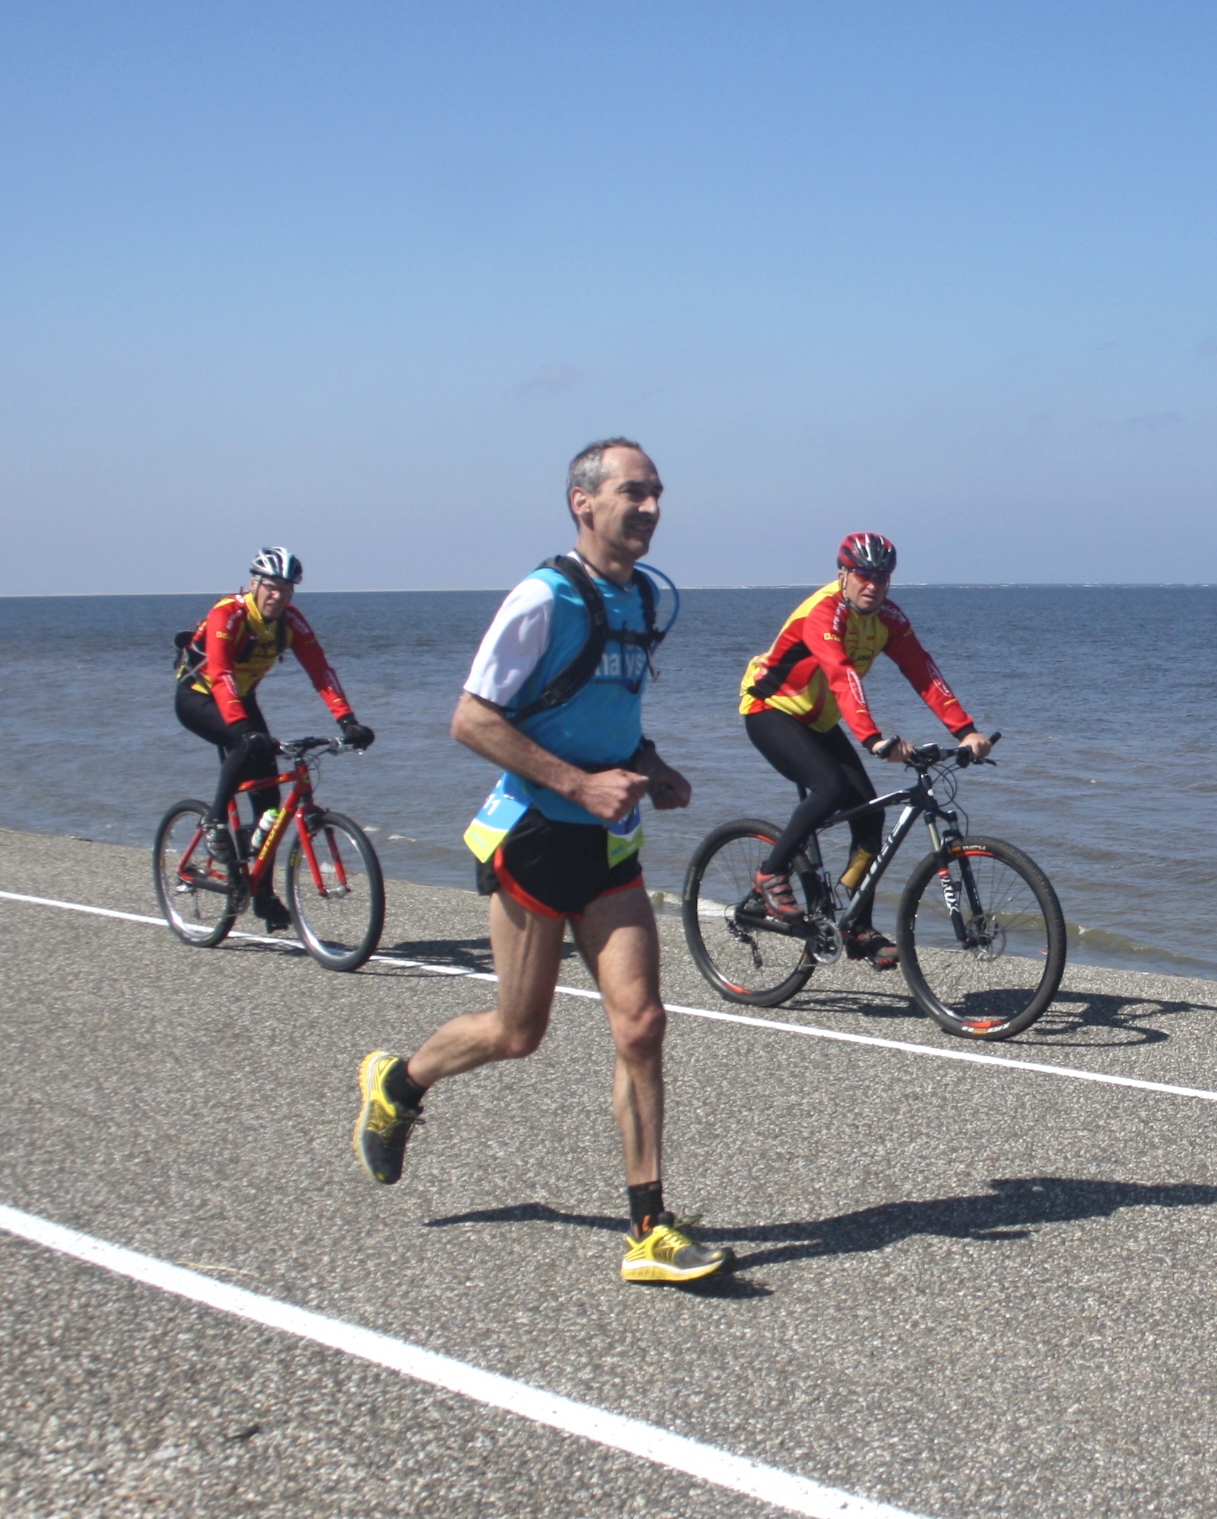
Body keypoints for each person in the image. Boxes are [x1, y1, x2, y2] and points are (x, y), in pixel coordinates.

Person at [352, 439, 733, 1286]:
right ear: (582, 502)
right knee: (517, 1033)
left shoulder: (642, 600)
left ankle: (649, 1228)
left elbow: (604, 713)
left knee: (642, 1023)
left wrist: (651, 764)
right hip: (532, 835)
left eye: (659, 494)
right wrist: (578, 784)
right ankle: (399, 1085)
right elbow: (472, 720)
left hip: (608, 845)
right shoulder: (543, 598)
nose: (651, 509)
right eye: (634, 493)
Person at [739, 532, 993, 964]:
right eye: (863, 575)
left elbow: (923, 673)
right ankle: (770, 872)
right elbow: (841, 676)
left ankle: (856, 927)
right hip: (771, 708)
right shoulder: (824, 612)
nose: (872, 584)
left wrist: (965, 730)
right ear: (843, 574)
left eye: (881, 576)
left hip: (817, 721)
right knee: (830, 787)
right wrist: (873, 739)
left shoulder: (888, 619)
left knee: (870, 816)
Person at [175, 547, 375, 930]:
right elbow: (220, 672)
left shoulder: (291, 623)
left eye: (286, 589)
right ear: (254, 584)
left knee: (268, 806)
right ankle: (216, 821)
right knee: (243, 744)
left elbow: (321, 672)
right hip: (198, 697)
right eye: (271, 587)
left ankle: (261, 895)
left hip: (240, 700)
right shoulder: (228, 614)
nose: (278, 596)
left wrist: (348, 720)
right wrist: (242, 727)